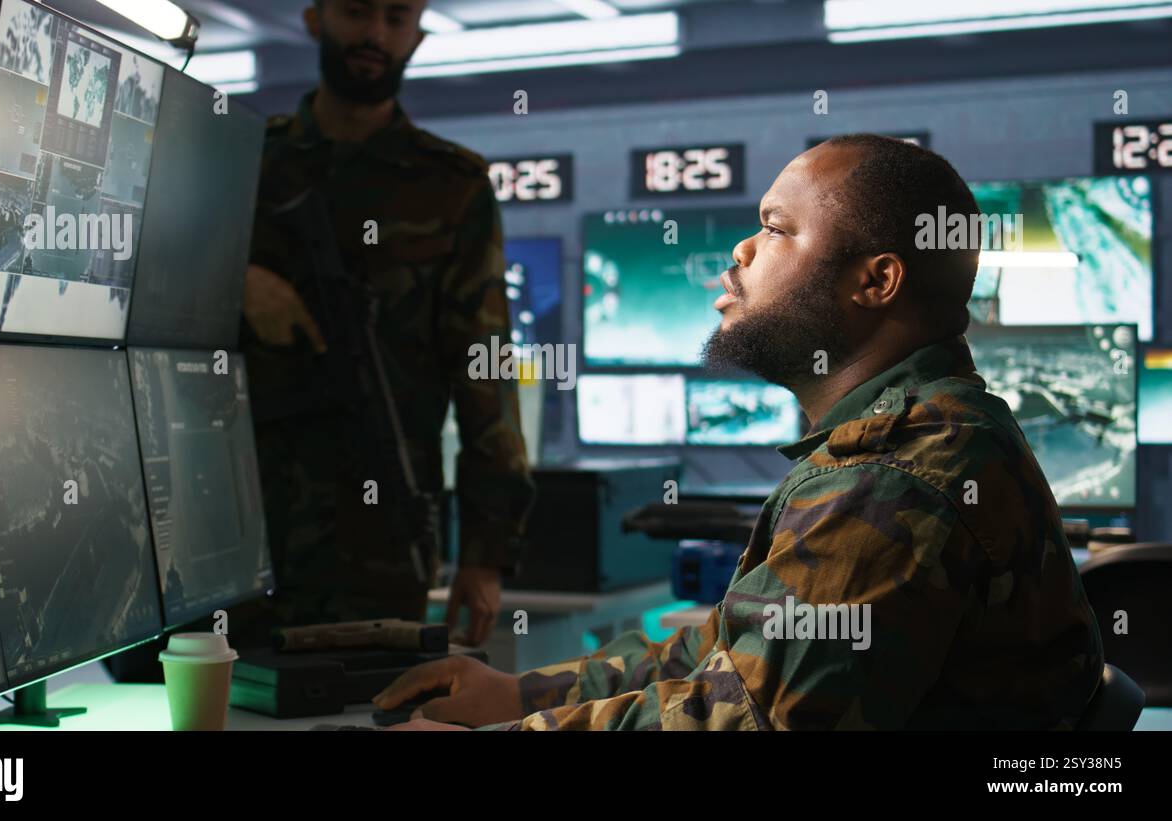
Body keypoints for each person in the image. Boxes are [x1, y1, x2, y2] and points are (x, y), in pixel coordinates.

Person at [376, 135, 1105, 730]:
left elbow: (744, 718)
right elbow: (730, 646)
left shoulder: (896, 476)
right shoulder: (913, 434)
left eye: (775, 229)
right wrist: (517, 696)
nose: (741, 251)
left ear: (877, 281)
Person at [231, 0, 534, 648]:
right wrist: (232, 285)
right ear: (315, 20)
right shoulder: (241, 165)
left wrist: (484, 554)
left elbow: (485, 373)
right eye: (357, 11)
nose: (375, 33)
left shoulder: (451, 186)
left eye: (396, 19)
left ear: (416, 38)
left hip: (375, 533)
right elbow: (140, 296)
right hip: (231, 520)